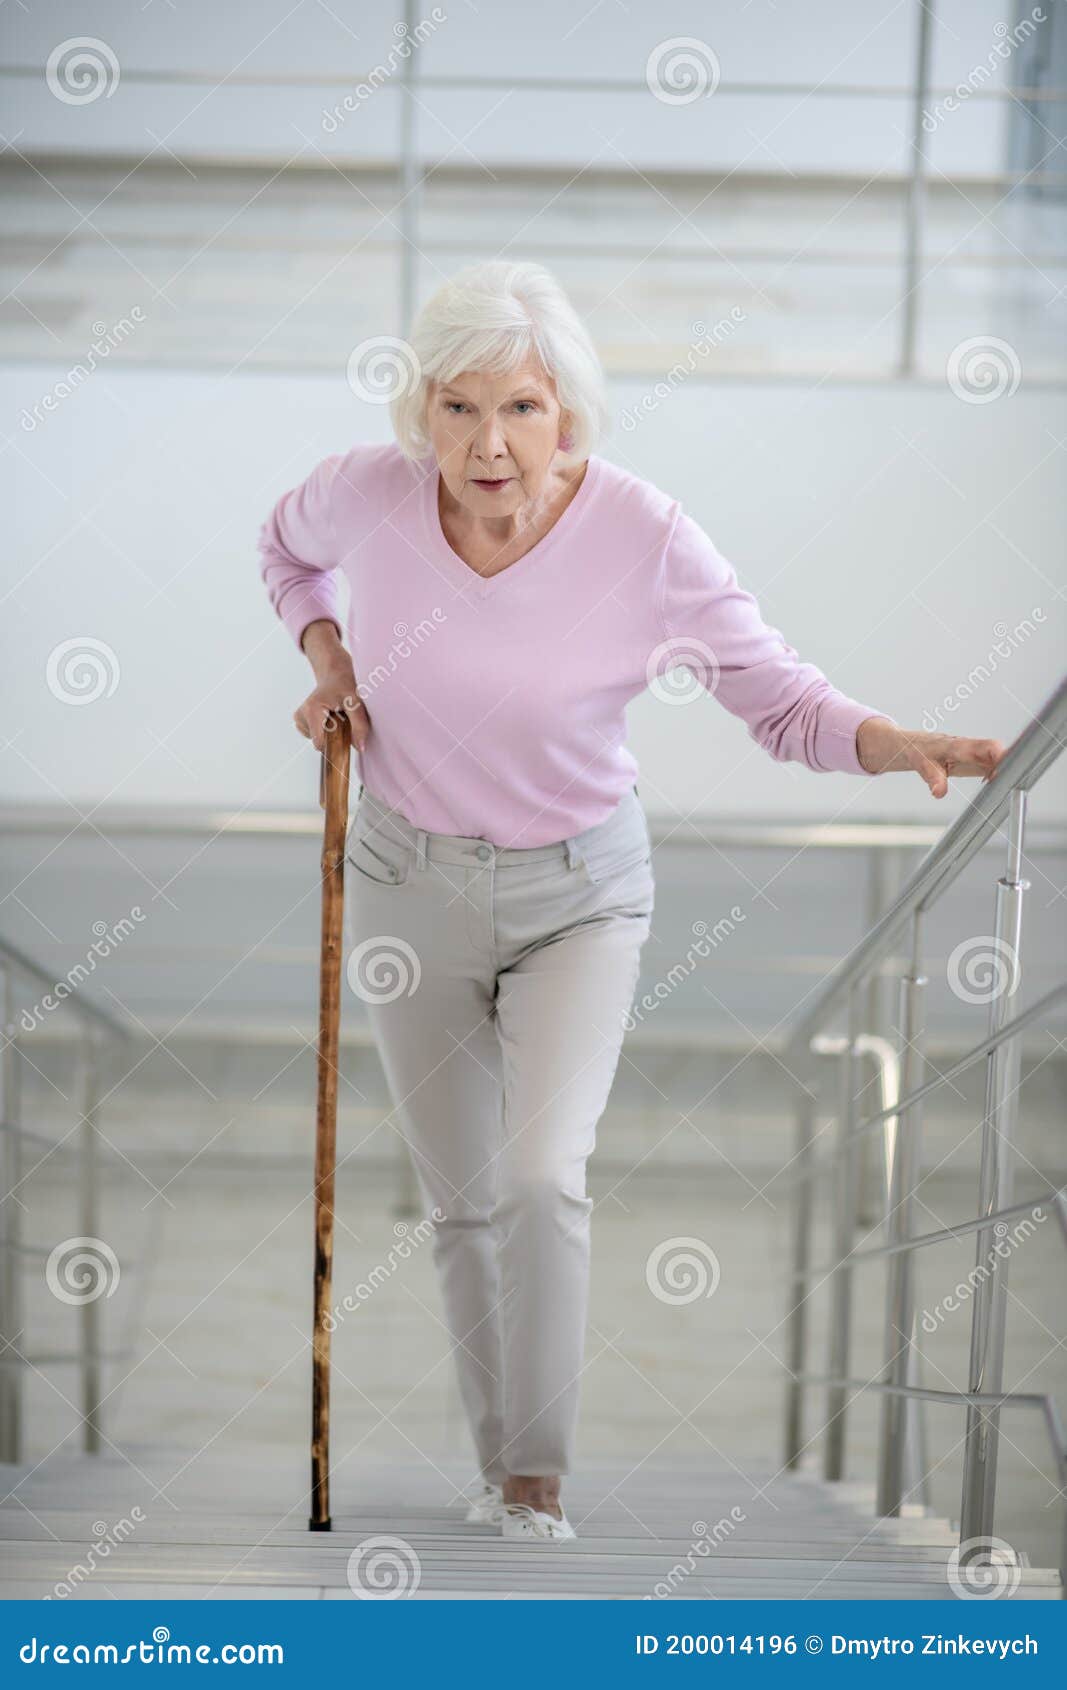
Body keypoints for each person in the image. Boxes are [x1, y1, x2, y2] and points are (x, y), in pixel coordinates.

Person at [257, 259, 1007, 1541]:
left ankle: (535, 1477)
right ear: (418, 414)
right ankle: (496, 1462)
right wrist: (327, 661)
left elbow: (773, 695)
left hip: (577, 897)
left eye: (523, 408)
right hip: (402, 877)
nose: (489, 445)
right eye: (457, 409)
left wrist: (888, 740)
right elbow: (284, 551)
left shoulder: (643, 536)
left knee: (541, 1173)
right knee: (459, 1200)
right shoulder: (367, 498)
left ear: (569, 413)